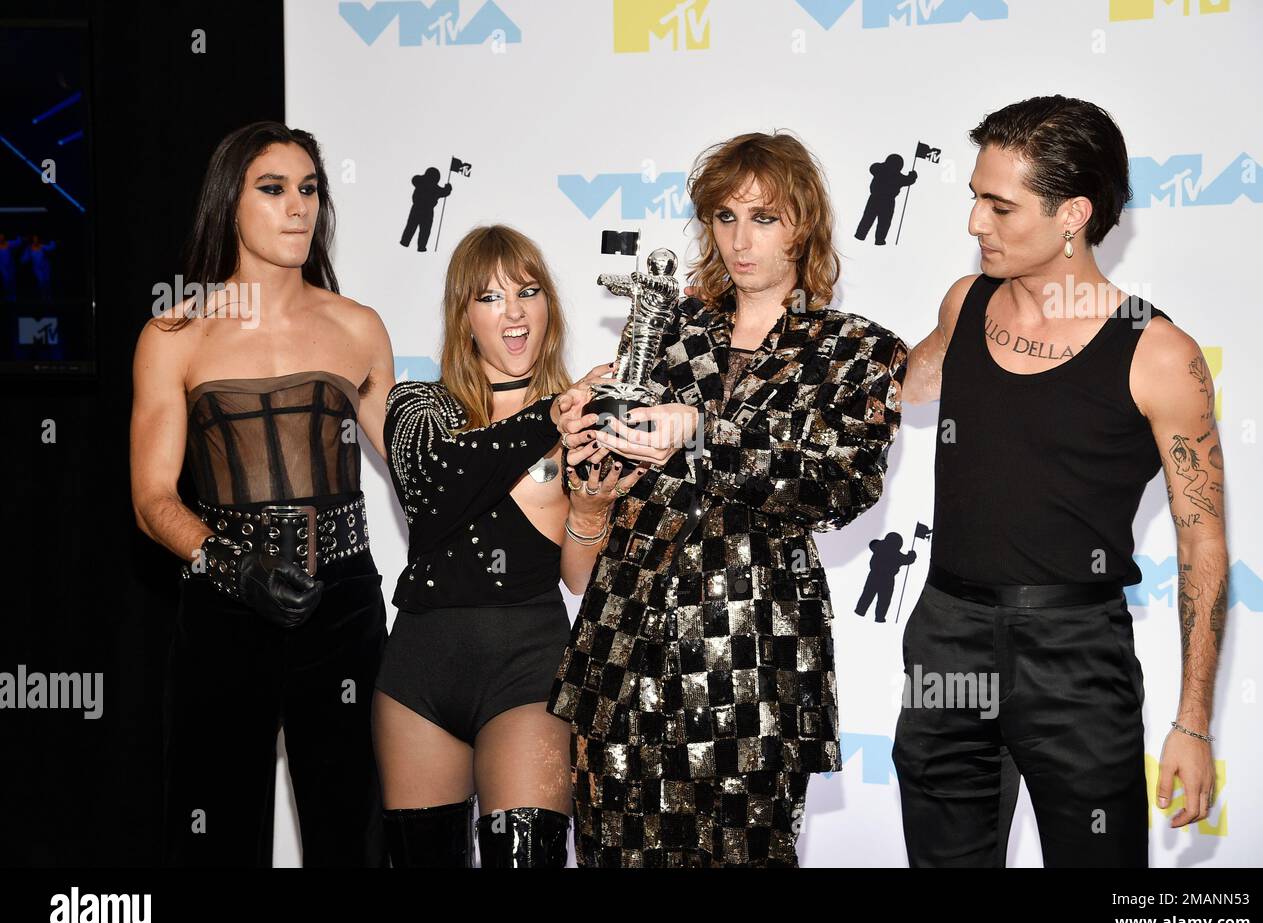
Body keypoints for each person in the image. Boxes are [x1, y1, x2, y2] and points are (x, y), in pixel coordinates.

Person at [547, 131, 910, 867]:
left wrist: (704, 434)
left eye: (764, 218)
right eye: (724, 217)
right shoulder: (670, 333)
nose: (741, 240)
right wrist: (583, 444)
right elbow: (605, 482)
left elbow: (843, 484)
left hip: (756, 669)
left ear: (802, 222)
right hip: (626, 656)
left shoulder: (858, 350)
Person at [896, 95, 1228, 867]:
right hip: (947, 639)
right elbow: (889, 390)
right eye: (975, 197)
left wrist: (1194, 721)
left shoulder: (1158, 354)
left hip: (1074, 656)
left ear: (1073, 213)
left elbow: (1202, 541)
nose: (974, 223)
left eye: (999, 206)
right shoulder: (964, 302)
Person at [130, 121, 397, 866]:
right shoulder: (174, 333)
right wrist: (235, 566)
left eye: (309, 189)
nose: (298, 207)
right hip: (224, 606)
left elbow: (420, 472)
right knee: (210, 833)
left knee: (355, 837)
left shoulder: (358, 326)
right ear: (230, 202)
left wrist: (539, 419)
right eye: (274, 188)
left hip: (343, 603)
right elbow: (152, 499)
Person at [375, 224, 641, 866]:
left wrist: (589, 509)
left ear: (550, 304)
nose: (514, 312)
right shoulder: (420, 407)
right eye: (490, 298)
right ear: (463, 316)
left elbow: (579, 578)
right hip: (419, 677)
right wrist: (548, 413)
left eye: (528, 291)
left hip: (530, 671)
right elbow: (437, 488)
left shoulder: (586, 422)